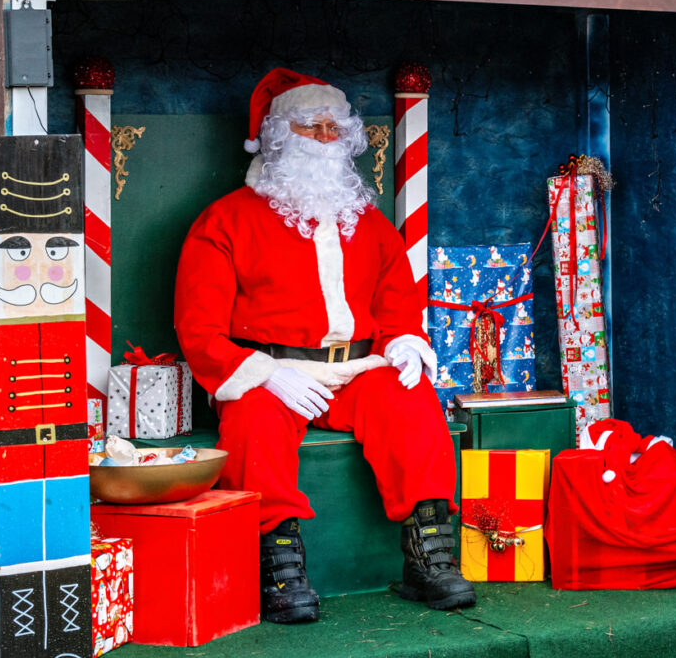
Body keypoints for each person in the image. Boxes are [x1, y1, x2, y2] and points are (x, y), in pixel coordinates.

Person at [174, 69, 474, 623]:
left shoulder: (371, 223)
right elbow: (199, 329)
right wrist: (263, 371)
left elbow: (396, 304)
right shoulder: (224, 222)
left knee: (414, 403)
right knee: (254, 424)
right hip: (271, 372)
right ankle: (279, 564)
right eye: (310, 127)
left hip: (359, 367)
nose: (325, 140)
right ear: (278, 136)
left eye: (336, 129)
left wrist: (406, 342)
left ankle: (429, 556)